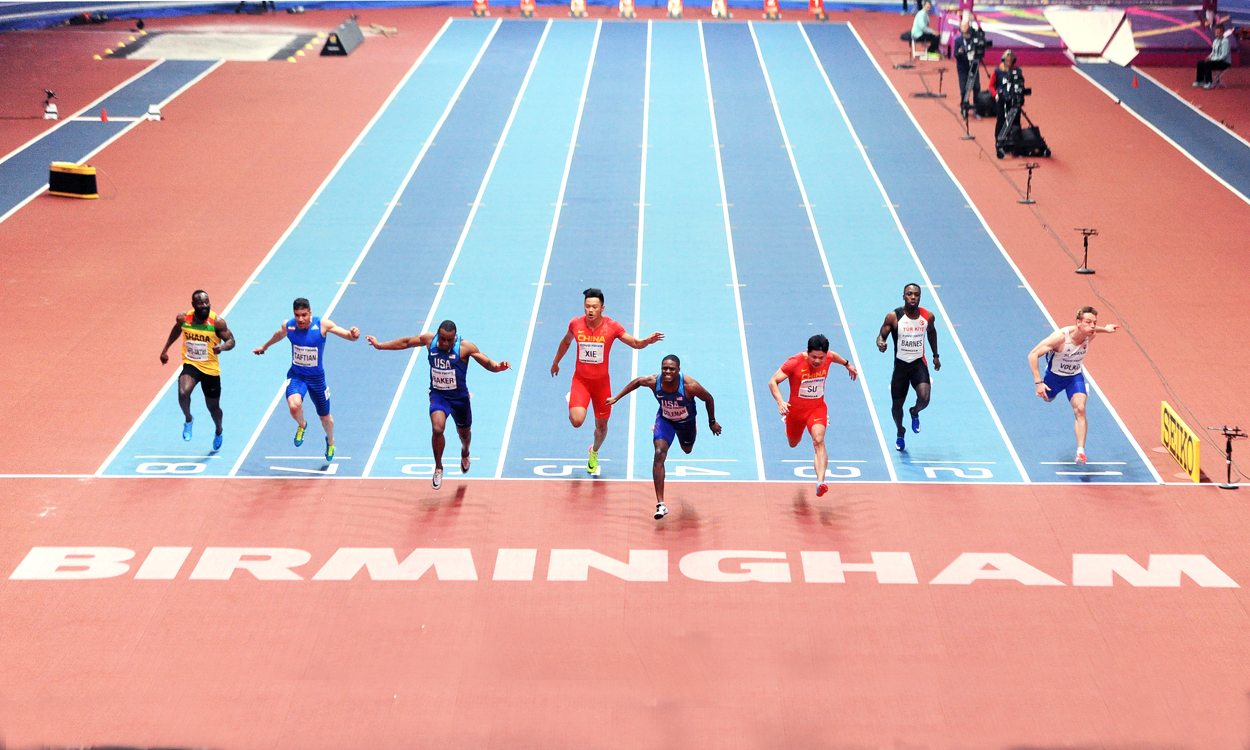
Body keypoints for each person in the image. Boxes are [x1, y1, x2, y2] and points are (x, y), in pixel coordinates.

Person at [366, 320, 511, 490]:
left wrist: (498, 367)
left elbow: (487, 362)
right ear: (438, 335)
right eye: (442, 339)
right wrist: (380, 345)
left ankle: (465, 452)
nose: (445, 343)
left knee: (464, 435)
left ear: (455, 337)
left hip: (459, 399)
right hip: (439, 396)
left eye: (449, 340)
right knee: (437, 428)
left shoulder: (465, 348)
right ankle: (439, 467)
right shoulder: (429, 341)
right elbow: (406, 342)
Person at [550, 287, 663, 475]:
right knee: (577, 421)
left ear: (602, 308)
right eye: (587, 307)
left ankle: (593, 452)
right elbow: (566, 342)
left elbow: (634, 343)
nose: (590, 310)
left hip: (602, 385)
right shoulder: (575, 324)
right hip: (581, 381)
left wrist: (646, 341)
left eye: (594, 307)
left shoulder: (612, 327)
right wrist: (556, 362)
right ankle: (574, 400)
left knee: (601, 426)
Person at [606, 355, 721, 520]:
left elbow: (709, 398)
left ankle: (689, 432)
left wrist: (712, 422)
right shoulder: (654, 381)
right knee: (659, 453)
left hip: (686, 422)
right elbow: (637, 382)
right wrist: (617, 397)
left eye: (671, 369)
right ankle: (661, 504)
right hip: (665, 420)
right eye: (664, 368)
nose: (667, 371)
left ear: (678, 370)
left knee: (687, 449)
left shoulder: (690, 386)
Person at [253, 297, 359, 461]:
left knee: (326, 418)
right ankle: (302, 425)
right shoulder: (289, 325)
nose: (300, 319)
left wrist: (352, 334)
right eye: (297, 315)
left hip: (317, 379)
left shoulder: (322, 325)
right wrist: (264, 347)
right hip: (297, 375)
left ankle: (331, 442)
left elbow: (347, 335)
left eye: (304, 315)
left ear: (310, 313)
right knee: (294, 406)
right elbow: (278, 335)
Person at [768, 334, 858, 497]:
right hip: (795, 412)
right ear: (807, 352)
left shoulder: (829, 357)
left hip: (817, 408)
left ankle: (820, 482)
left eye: (821, 358)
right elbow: (772, 381)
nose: (817, 361)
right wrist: (781, 402)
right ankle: (788, 423)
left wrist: (847, 364)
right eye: (814, 357)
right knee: (793, 443)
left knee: (818, 441)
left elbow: (835, 357)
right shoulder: (794, 362)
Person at [1027, 306, 1118, 464]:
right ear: (1078, 323)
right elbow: (1032, 355)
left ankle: (1080, 451)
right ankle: (1048, 392)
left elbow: (1094, 329)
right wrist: (1038, 383)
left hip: (1074, 377)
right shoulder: (1060, 338)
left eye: (1094, 323)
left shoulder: (1091, 334)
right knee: (1048, 399)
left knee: (1080, 409)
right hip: (1054, 377)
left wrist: (1107, 329)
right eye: (1088, 322)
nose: (1092, 326)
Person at [159, 289, 235, 450]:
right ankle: (188, 419)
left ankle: (219, 430)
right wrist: (165, 350)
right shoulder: (183, 319)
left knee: (213, 408)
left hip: (210, 369)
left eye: (206, 302)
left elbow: (231, 341)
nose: (204, 305)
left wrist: (222, 347)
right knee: (182, 393)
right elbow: (176, 330)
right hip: (191, 364)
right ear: (193, 305)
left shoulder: (217, 322)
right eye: (200, 303)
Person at [876, 283, 940, 453]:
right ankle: (900, 431)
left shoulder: (928, 316)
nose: (913, 297)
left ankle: (914, 411)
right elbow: (881, 336)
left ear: (920, 297)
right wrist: (881, 343)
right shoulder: (893, 317)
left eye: (916, 294)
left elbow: (932, 333)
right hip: (901, 367)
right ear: (903, 296)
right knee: (896, 407)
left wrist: (935, 356)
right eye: (909, 294)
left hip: (919, 364)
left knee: (925, 398)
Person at [993, 50, 1023, 158]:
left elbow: (1021, 83)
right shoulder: (998, 71)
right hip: (1001, 99)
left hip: (1014, 99)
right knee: (1001, 120)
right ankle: (998, 143)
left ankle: (1015, 145)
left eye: (1010, 60)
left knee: (1015, 122)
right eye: (1007, 60)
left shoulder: (1017, 71)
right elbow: (991, 85)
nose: (1009, 62)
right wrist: (996, 94)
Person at [953, 19, 983, 118]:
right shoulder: (958, 40)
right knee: (964, 89)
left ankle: (976, 109)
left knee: (976, 88)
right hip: (963, 68)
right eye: (962, 26)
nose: (964, 28)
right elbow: (955, 55)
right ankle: (964, 108)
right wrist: (960, 52)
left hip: (974, 66)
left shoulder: (974, 38)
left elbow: (981, 50)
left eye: (966, 26)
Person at [1194, 24, 1231, 89]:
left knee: (1208, 64)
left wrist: (1212, 59)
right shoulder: (1215, 41)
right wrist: (1209, 57)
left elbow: (1224, 55)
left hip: (1224, 62)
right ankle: (1200, 81)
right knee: (1200, 63)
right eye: (1216, 32)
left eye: (1218, 33)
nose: (1217, 34)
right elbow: (1213, 52)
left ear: (1222, 33)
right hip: (1215, 60)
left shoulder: (1225, 42)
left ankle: (1209, 82)